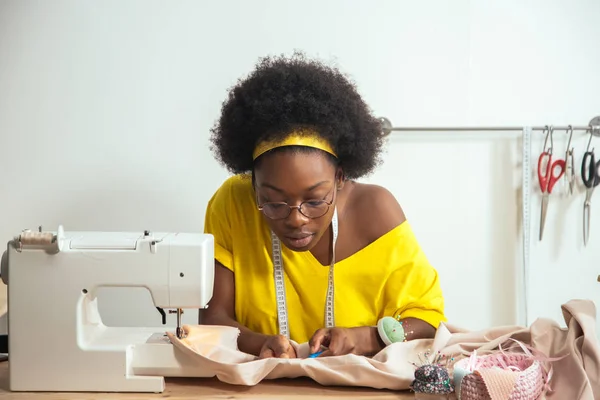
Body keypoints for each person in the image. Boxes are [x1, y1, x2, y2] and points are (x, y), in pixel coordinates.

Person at [200, 52, 446, 359]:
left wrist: (370, 338)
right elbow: (212, 319)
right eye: (274, 202)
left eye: (315, 200)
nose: (297, 219)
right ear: (253, 186)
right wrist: (258, 342)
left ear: (340, 178)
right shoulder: (232, 204)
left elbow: (428, 320)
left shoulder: (376, 211)